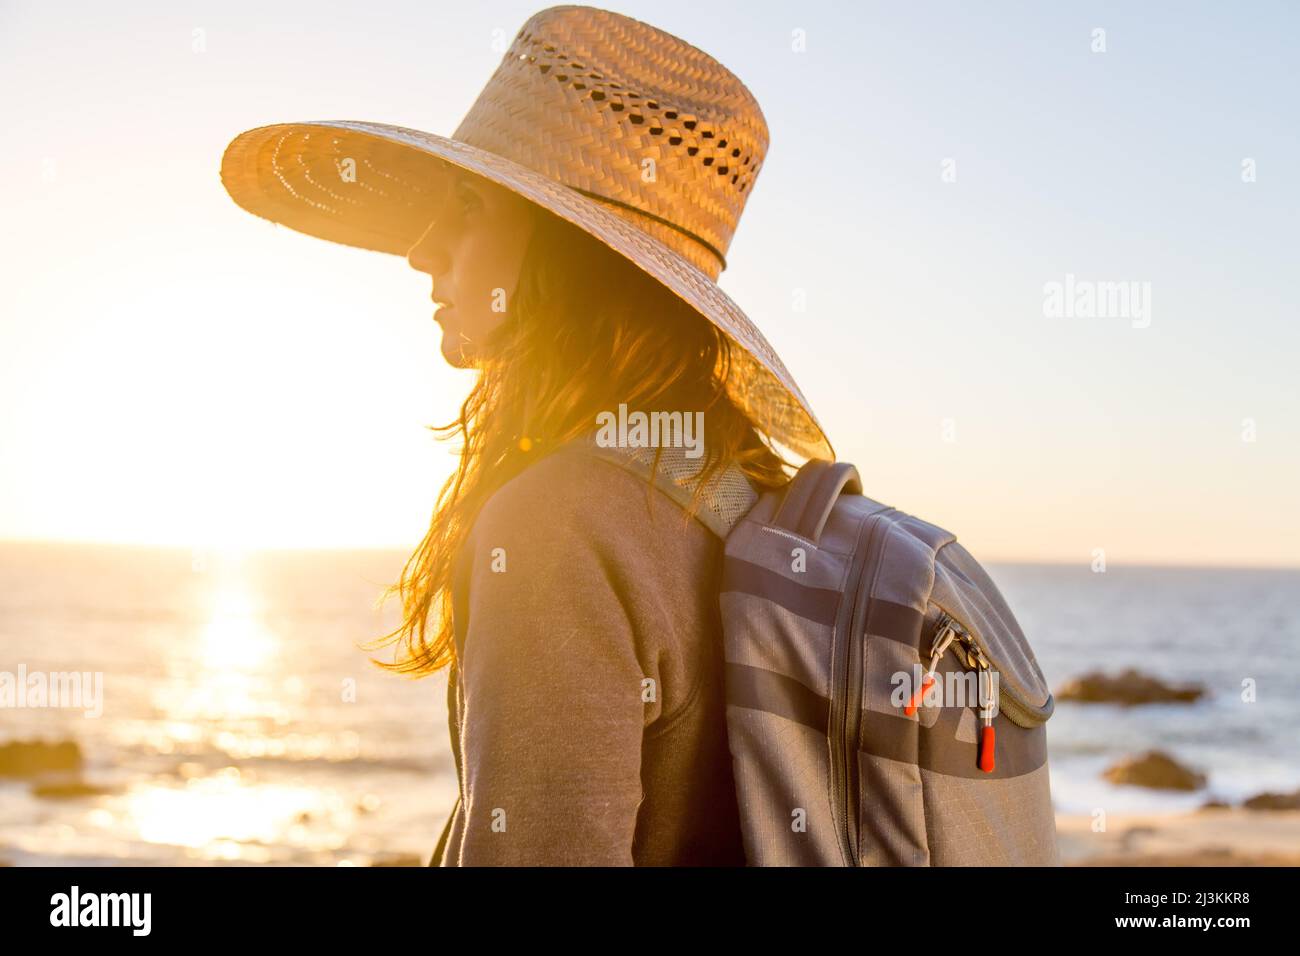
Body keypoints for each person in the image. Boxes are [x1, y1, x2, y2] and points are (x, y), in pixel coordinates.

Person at [219, 4, 834, 866]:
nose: (422, 251)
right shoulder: (741, 496)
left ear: (571, 254)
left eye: (466, 206)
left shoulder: (555, 525)